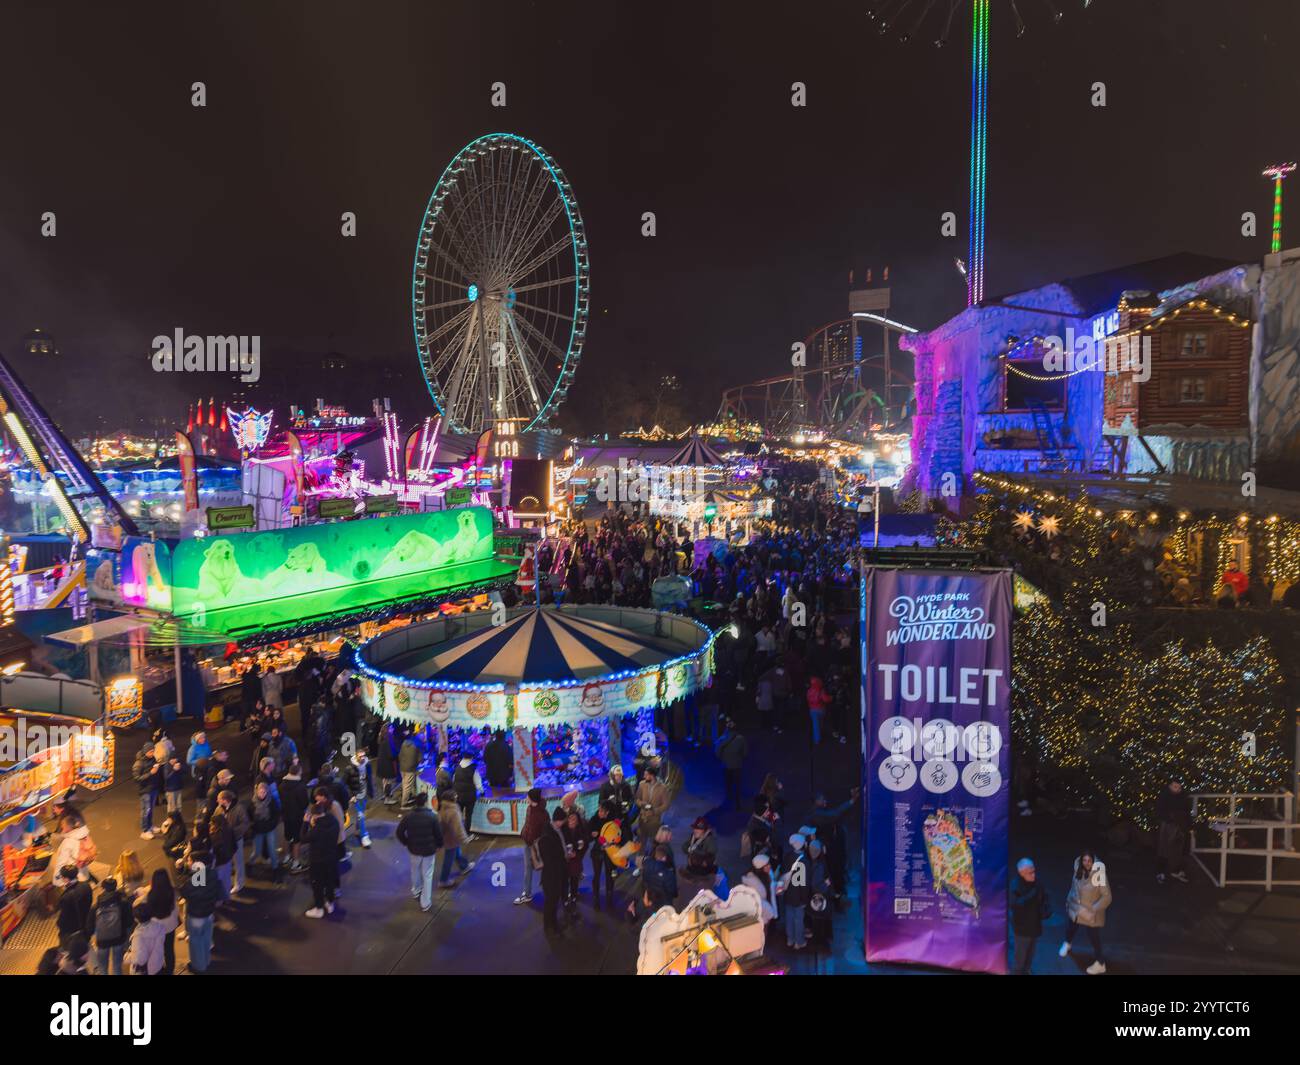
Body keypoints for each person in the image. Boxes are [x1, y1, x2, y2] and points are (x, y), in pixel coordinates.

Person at [1059, 850, 1111, 975]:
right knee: (1071, 927)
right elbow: (1073, 887)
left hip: (1090, 914)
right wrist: (1069, 900)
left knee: (1094, 938)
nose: (1087, 863)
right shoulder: (1078, 869)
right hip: (1076, 909)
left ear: (1093, 861)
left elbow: (1107, 896)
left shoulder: (1099, 874)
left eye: (1089, 861)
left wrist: (1094, 908)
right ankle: (1067, 943)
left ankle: (1100, 963)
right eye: (1084, 860)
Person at [396, 791, 443, 912]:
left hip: (414, 850)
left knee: (415, 870)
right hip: (429, 851)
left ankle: (416, 890)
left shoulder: (409, 816)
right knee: (427, 875)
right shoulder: (432, 817)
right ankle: (425, 902)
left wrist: (406, 842)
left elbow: (399, 832)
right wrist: (439, 845)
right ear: (426, 803)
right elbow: (438, 835)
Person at [178, 859, 223, 973]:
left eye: (189, 860)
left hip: (196, 917)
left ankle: (199, 966)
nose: (187, 862)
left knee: (196, 942)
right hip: (208, 914)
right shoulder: (212, 874)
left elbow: (183, 891)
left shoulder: (192, 883)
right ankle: (206, 960)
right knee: (206, 938)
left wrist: (181, 871)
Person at [1010, 857, 1050, 974]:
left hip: (1035, 925)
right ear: (1021, 873)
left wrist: (1046, 909)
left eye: (1034, 871)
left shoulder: (1038, 882)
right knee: (1020, 957)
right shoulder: (1015, 885)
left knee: (1030, 954)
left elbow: (1044, 897)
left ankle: (1027, 970)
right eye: (1030, 872)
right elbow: (1015, 905)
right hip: (1022, 929)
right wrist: (1031, 895)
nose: (1033, 874)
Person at [304, 796, 342, 919]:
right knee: (329, 882)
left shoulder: (316, 830)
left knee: (317, 884)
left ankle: (319, 908)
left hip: (317, 861)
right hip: (331, 857)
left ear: (314, 816)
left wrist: (306, 823)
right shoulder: (334, 822)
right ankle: (330, 903)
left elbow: (303, 838)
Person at [514, 787, 549, 905]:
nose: (526, 798)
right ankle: (527, 893)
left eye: (527, 796)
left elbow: (544, 831)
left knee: (544, 866)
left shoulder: (542, 814)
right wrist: (524, 833)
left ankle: (550, 890)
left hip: (537, 845)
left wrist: (534, 842)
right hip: (528, 843)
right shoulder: (530, 808)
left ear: (532, 799)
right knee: (528, 868)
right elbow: (528, 824)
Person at [537, 807, 569, 934]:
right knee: (551, 901)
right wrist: (562, 857)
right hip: (551, 876)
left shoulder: (557, 829)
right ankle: (550, 925)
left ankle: (551, 923)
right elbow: (549, 859)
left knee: (553, 900)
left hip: (558, 872)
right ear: (558, 820)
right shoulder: (547, 836)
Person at [587, 800, 623, 911]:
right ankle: (596, 897)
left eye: (602, 811)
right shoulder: (594, 819)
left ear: (607, 812)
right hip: (597, 851)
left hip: (609, 852)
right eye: (599, 810)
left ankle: (609, 897)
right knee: (596, 875)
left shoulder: (613, 821)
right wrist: (593, 835)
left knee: (609, 874)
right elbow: (589, 834)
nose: (599, 812)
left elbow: (618, 836)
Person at [1155, 780, 1192, 884]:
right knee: (1164, 849)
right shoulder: (1164, 796)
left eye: (1179, 787)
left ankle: (1175, 870)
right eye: (1175, 787)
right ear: (1170, 786)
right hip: (1168, 825)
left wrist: (1187, 824)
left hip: (1180, 826)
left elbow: (1186, 811)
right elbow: (1160, 811)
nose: (1177, 789)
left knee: (1178, 850)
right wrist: (1169, 818)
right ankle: (1161, 872)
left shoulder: (1183, 797)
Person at [777, 833, 809, 950]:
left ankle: (790, 939)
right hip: (798, 896)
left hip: (787, 893)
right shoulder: (804, 861)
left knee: (789, 917)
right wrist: (805, 898)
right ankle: (799, 941)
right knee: (798, 919)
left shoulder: (788, 856)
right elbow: (803, 883)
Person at [437, 789, 473, 887]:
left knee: (456, 852)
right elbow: (458, 827)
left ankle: (464, 866)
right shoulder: (453, 811)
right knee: (449, 858)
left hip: (447, 837)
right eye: (455, 796)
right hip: (451, 838)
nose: (457, 797)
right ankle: (443, 880)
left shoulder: (443, 808)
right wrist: (464, 839)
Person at [217, 790, 250, 894]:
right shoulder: (219, 809)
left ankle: (239, 883)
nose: (217, 801)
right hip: (225, 840)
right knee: (227, 862)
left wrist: (231, 832)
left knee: (238, 862)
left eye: (219, 799)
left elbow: (245, 824)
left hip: (236, 839)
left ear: (225, 800)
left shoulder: (239, 809)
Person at [280, 761, 310, 873]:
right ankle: (296, 863)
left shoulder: (282, 785)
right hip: (297, 817)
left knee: (287, 836)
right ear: (297, 773)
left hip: (286, 815)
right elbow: (304, 803)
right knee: (297, 839)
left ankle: (286, 857)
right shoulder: (300, 786)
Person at [52, 815, 96, 886]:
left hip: (73, 877)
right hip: (84, 873)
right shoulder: (84, 835)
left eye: (63, 826)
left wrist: (57, 880)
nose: (62, 829)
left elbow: (61, 863)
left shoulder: (68, 842)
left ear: (68, 827)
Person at [248, 780, 282, 873]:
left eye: (264, 792)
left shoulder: (272, 802)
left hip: (269, 829)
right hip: (258, 830)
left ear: (267, 792)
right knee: (257, 851)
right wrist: (253, 825)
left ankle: (275, 868)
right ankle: (250, 863)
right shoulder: (252, 803)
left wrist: (271, 824)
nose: (262, 794)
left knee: (272, 850)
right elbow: (249, 817)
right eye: (260, 792)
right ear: (257, 791)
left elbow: (276, 815)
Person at [714, 720, 748, 809]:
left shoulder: (721, 739)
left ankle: (728, 798)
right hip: (737, 765)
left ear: (727, 728)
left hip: (726, 765)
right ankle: (737, 801)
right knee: (737, 782)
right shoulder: (741, 738)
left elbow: (717, 754)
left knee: (728, 782)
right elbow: (745, 753)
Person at [126, 901, 166, 975]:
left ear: (136, 919)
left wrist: (127, 957)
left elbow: (140, 959)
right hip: (157, 964)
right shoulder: (159, 927)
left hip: (144, 970)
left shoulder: (138, 936)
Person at [56, 866, 93, 946]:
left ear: (66, 879)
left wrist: (59, 923)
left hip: (72, 930)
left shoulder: (66, 897)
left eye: (62, 877)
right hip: (85, 924)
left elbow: (64, 917)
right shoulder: (86, 886)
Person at [634, 765, 669, 847]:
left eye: (646, 775)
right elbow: (636, 799)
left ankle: (653, 856)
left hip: (655, 820)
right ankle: (641, 857)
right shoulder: (642, 784)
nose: (644, 776)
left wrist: (655, 811)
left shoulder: (662, 788)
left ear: (652, 776)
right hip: (642, 819)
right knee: (641, 843)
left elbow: (666, 805)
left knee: (655, 844)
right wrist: (641, 803)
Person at [345, 749, 373, 849]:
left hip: (364, 794)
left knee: (361, 814)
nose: (362, 758)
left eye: (363, 756)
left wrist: (371, 792)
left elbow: (369, 779)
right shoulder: (349, 768)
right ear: (356, 756)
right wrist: (351, 795)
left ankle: (358, 828)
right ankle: (364, 836)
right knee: (361, 815)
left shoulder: (367, 764)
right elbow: (345, 783)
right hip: (356, 795)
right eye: (360, 756)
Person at [561, 807, 588, 907]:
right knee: (565, 879)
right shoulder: (563, 830)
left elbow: (584, 845)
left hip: (575, 859)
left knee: (574, 878)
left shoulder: (581, 831)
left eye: (574, 820)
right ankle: (564, 897)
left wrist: (577, 854)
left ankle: (573, 895)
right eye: (570, 819)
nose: (572, 821)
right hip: (565, 859)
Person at [134, 743, 162, 839]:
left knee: (150, 810)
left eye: (153, 751)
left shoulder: (153, 759)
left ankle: (150, 826)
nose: (152, 753)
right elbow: (136, 778)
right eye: (150, 752)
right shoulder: (139, 763)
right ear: (145, 752)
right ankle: (145, 831)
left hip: (153, 788)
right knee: (146, 811)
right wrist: (150, 773)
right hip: (145, 791)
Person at [742, 853, 778, 925]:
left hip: (769, 910)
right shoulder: (753, 882)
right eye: (767, 865)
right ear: (760, 867)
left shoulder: (768, 873)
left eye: (769, 864)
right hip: (762, 915)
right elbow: (757, 901)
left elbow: (770, 889)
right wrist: (769, 913)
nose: (769, 866)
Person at [453, 755, 482, 841]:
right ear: (471, 758)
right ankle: (467, 834)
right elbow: (478, 784)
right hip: (469, 796)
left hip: (458, 795)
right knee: (468, 816)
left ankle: (458, 833)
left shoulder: (457, 768)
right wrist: (481, 791)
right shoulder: (473, 769)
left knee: (459, 814)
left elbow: (453, 780)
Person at [398, 733, 422, 809]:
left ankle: (408, 797)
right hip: (410, 769)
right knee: (407, 786)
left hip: (402, 767)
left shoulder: (404, 743)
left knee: (404, 783)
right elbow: (420, 759)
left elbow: (400, 755)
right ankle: (404, 804)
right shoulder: (417, 745)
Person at [806, 676, 831, 745]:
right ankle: (819, 736)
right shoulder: (821, 691)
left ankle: (817, 739)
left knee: (815, 725)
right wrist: (831, 698)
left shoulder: (809, 691)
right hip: (821, 710)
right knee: (820, 723)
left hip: (812, 710)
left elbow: (807, 699)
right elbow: (826, 699)